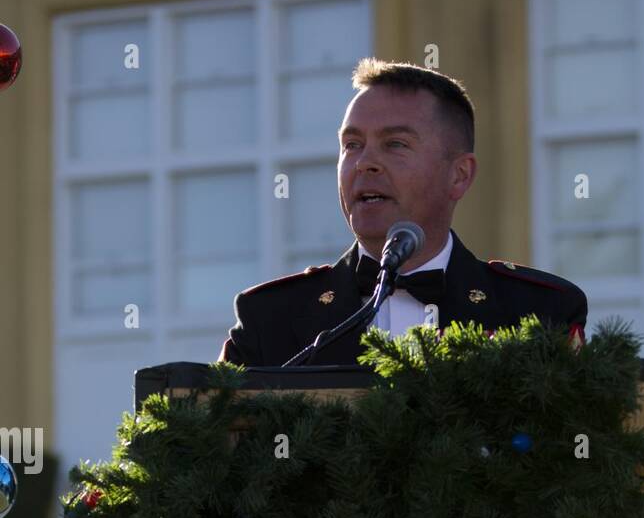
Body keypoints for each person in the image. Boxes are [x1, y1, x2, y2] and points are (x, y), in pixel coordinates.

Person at [219, 59, 587, 368]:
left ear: (458, 175)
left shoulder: (539, 312)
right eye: (352, 145)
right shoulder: (269, 317)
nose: (364, 164)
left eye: (395, 144)